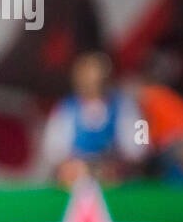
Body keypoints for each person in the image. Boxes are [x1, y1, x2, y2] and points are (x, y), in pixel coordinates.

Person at [42, 51, 144, 186]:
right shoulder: (64, 109)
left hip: (117, 180)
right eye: (85, 74)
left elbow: (140, 149)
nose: (91, 80)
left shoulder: (127, 107)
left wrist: (113, 166)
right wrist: (77, 167)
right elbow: (53, 151)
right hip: (75, 178)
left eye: (95, 73)